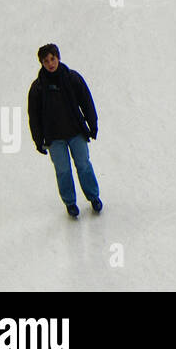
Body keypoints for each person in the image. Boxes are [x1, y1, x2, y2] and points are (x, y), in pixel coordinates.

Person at [27, 43, 101, 218]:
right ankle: (70, 202)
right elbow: (34, 116)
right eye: (46, 61)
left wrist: (92, 124)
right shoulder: (37, 88)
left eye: (53, 59)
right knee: (63, 170)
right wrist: (38, 140)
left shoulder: (72, 78)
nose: (50, 63)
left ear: (58, 58)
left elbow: (86, 101)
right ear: (42, 63)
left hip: (76, 133)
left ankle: (93, 197)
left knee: (83, 165)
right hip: (54, 139)